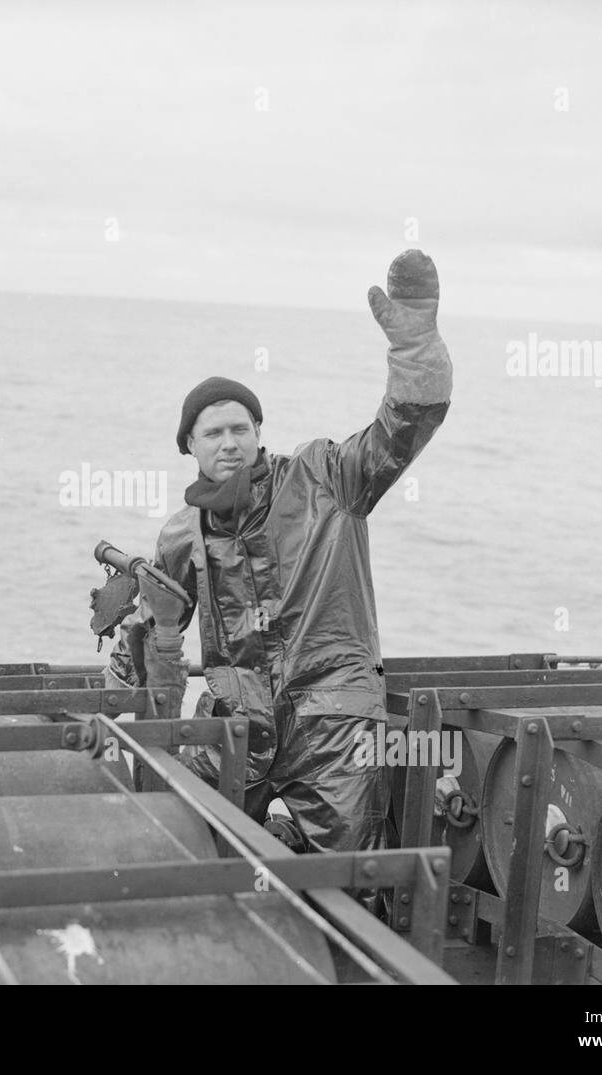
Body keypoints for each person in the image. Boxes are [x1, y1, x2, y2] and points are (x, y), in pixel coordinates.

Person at [106, 250, 452, 854]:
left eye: (242, 428)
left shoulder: (326, 478)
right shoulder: (182, 534)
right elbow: (158, 630)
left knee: (349, 881)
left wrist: (416, 347)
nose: (230, 442)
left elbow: (402, 429)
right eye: (213, 433)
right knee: (187, 840)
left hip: (334, 725)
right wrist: (124, 663)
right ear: (189, 446)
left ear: (260, 434)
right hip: (234, 724)